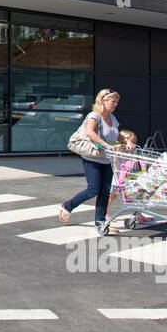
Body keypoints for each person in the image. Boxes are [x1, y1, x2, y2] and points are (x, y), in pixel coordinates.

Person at [59, 88, 121, 229]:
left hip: (106, 159)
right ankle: (67, 206)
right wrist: (106, 145)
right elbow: (90, 132)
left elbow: (117, 135)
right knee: (94, 189)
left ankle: (100, 222)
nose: (115, 104)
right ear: (103, 100)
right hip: (93, 157)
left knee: (105, 191)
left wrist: (128, 141)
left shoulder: (112, 118)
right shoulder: (94, 116)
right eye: (113, 101)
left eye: (117, 102)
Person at [112, 129, 155, 227]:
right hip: (118, 176)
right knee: (112, 195)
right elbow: (115, 161)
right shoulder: (118, 149)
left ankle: (139, 215)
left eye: (135, 142)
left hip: (128, 177)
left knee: (137, 194)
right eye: (132, 141)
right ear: (124, 139)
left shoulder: (131, 150)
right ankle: (105, 213)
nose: (134, 144)